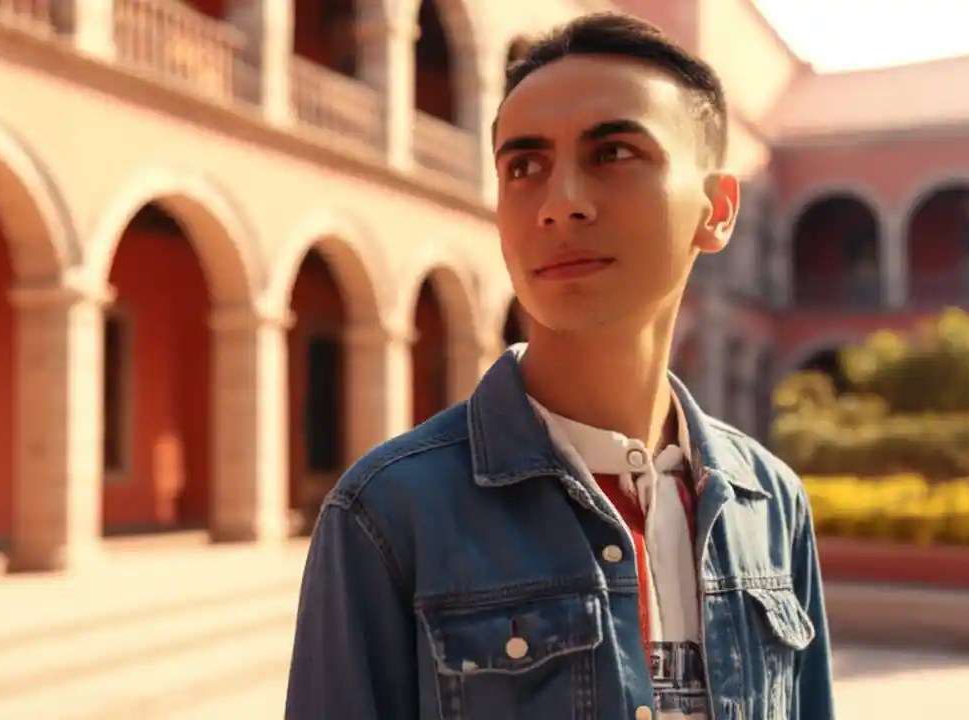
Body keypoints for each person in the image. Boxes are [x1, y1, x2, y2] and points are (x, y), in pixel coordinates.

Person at [285, 11, 835, 720]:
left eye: (613, 154)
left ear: (717, 209)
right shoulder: (388, 514)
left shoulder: (771, 504)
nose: (560, 203)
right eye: (524, 167)